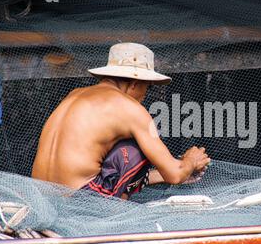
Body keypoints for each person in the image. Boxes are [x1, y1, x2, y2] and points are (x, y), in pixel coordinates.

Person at [32, 43, 210, 199]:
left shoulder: (74, 94)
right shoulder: (130, 108)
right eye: (146, 87)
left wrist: (165, 174)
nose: (145, 95)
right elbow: (176, 174)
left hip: (43, 200)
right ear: (134, 84)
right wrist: (191, 161)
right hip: (80, 203)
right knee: (133, 148)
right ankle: (113, 212)